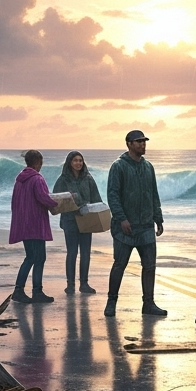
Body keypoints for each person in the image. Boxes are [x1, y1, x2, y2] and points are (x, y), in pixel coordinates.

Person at [105, 130, 166, 317]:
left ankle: (149, 304)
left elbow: (154, 194)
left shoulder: (148, 167)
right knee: (119, 265)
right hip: (125, 228)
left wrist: (158, 218)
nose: (143, 144)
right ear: (129, 144)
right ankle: (111, 302)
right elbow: (113, 195)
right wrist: (121, 218)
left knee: (150, 266)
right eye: (139, 141)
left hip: (146, 226)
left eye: (144, 141)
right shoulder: (118, 166)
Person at [10, 150, 60, 304]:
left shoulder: (20, 179)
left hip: (23, 224)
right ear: (38, 162)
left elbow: (15, 202)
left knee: (30, 257)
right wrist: (59, 203)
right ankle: (34, 291)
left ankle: (20, 290)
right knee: (39, 258)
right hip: (36, 224)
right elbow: (43, 198)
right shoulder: (37, 178)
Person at [54, 151, 102, 296]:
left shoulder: (88, 179)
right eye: (75, 160)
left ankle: (84, 284)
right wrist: (69, 199)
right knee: (72, 252)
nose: (78, 163)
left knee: (86, 252)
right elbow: (55, 199)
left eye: (80, 160)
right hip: (69, 220)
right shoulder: (63, 179)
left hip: (86, 218)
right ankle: (70, 285)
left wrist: (99, 215)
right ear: (70, 162)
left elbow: (96, 199)